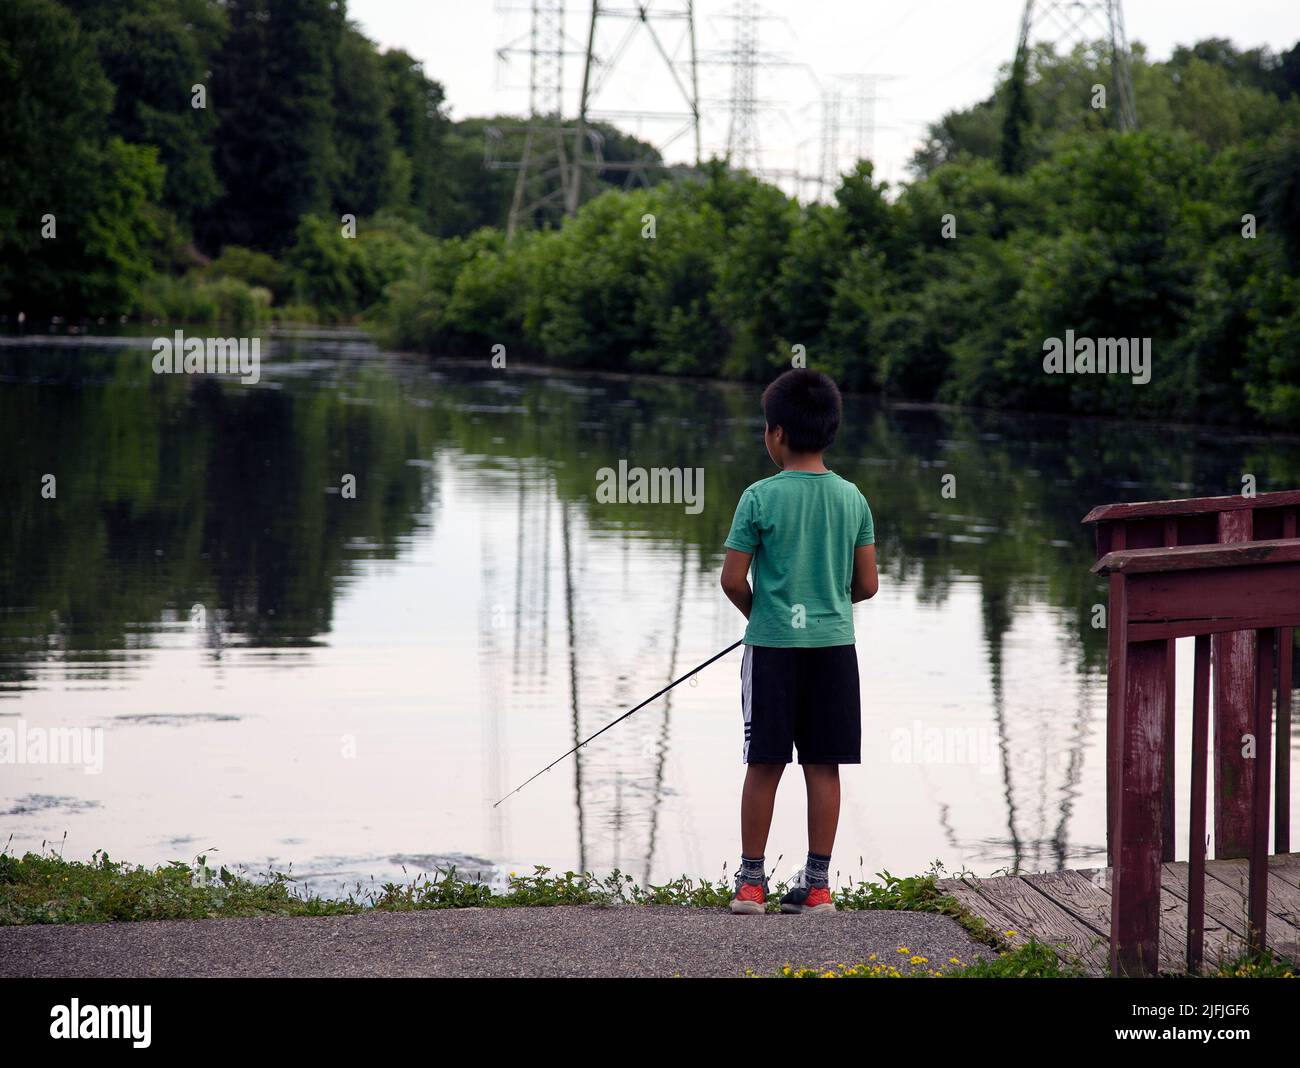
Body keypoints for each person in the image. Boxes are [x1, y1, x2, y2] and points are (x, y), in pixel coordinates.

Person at [719, 369, 878, 914]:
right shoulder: (853, 499)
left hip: (771, 650)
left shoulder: (758, 498)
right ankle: (817, 886)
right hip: (833, 649)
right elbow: (868, 585)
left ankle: (750, 884)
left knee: (763, 761)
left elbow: (733, 580)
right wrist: (826, 610)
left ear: (777, 433)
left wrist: (766, 616)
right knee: (824, 764)